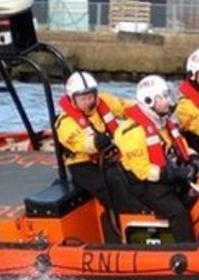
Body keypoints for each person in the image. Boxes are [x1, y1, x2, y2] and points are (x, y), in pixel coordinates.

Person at [55, 71, 140, 244]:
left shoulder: (105, 102)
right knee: (112, 192)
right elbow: (81, 144)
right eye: (83, 98)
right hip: (84, 165)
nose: (88, 101)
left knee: (136, 178)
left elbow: (126, 107)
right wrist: (96, 142)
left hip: (110, 157)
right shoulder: (65, 122)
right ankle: (117, 236)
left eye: (90, 96)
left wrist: (146, 110)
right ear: (72, 99)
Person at [113, 75, 197, 243]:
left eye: (167, 95)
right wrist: (173, 174)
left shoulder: (163, 123)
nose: (168, 101)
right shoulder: (131, 132)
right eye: (163, 97)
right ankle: (187, 249)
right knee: (177, 213)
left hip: (168, 174)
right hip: (146, 185)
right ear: (149, 101)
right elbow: (143, 170)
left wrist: (193, 160)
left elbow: (180, 146)